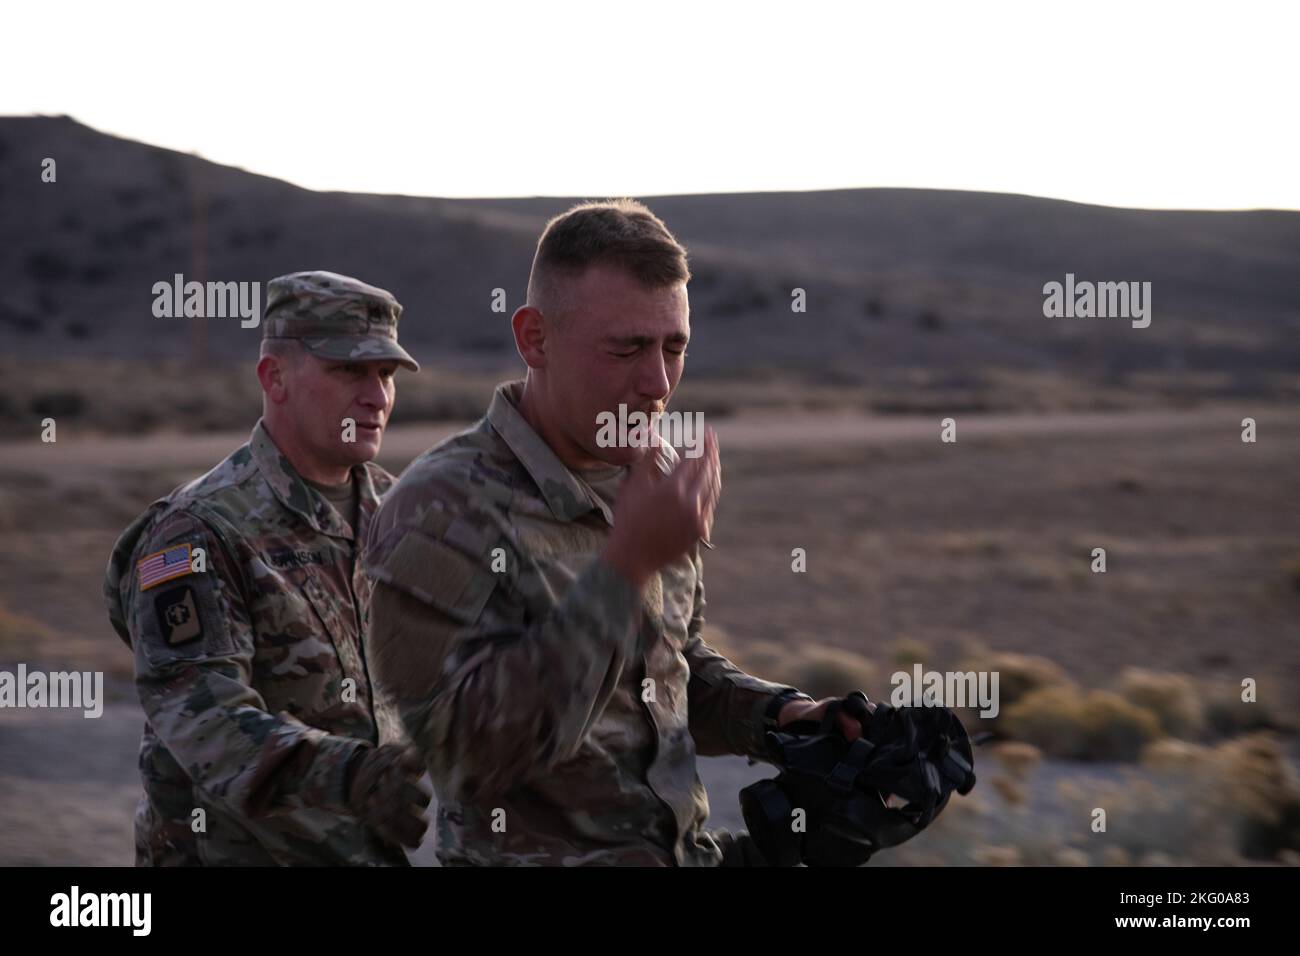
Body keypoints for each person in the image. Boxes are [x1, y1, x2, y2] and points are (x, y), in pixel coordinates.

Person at [364, 201, 862, 866]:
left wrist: (785, 720)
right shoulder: (436, 508)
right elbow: (463, 753)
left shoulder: (645, 480)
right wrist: (626, 566)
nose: (657, 383)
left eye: (674, 348)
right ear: (534, 338)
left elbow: (668, 673)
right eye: (626, 348)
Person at [105, 270, 431, 865]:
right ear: (273, 378)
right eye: (348, 370)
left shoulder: (397, 513)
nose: (376, 396)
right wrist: (349, 775)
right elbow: (206, 716)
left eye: (385, 374)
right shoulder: (198, 531)